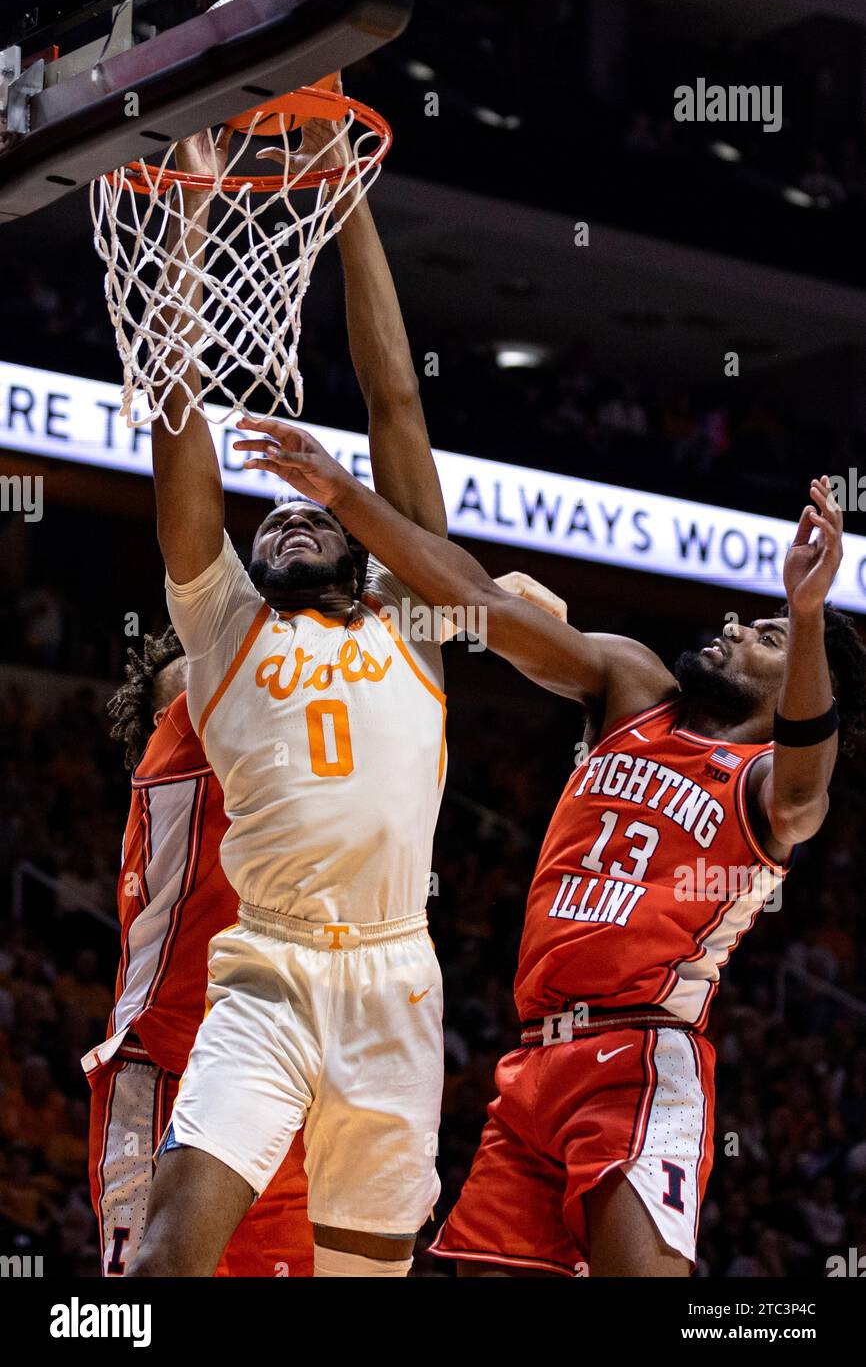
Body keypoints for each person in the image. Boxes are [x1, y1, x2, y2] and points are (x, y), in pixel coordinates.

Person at [230, 415, 866, 1277]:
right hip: (533, 1062)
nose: (738, 628)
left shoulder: (760, 784)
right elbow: (480, 602)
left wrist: (806, 610)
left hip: (637, 1057)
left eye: (768, 636)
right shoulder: (633, 688)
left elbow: (802, 790)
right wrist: (344, 493)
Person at [126, 103, 563, 1279]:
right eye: (274, 514)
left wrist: (345, 194)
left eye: (317, 508)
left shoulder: (413, 620)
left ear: (361, 547)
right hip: (266, 972)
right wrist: (189, 223)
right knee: (164, 1267)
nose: (292, 513)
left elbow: (396, 406)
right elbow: (180, 421)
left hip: (395, 984)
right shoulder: (219, 626)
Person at [84, 627, 312, 1277]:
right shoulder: (175, 756)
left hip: (262, 1079)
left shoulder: (271, 792)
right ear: (166, 721)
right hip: (162, 1067)